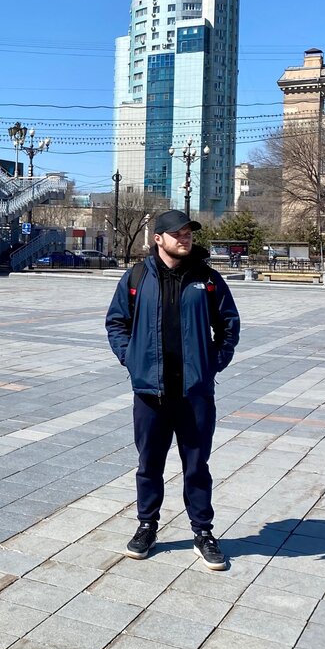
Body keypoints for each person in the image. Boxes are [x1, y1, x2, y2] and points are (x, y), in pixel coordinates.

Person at [105, 210, 241, 570]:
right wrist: (130, 359)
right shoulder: (136, 277)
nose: (184, 239)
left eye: (188, 233)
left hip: (194, 395)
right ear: (158, 239)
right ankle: (147, 526)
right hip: (150, 393)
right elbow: (116, 322)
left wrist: (213, 363)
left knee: (197, 466)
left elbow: (229, 325)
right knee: (149, 464)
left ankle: (203, 532)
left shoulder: (207, 280)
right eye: (176, 233)